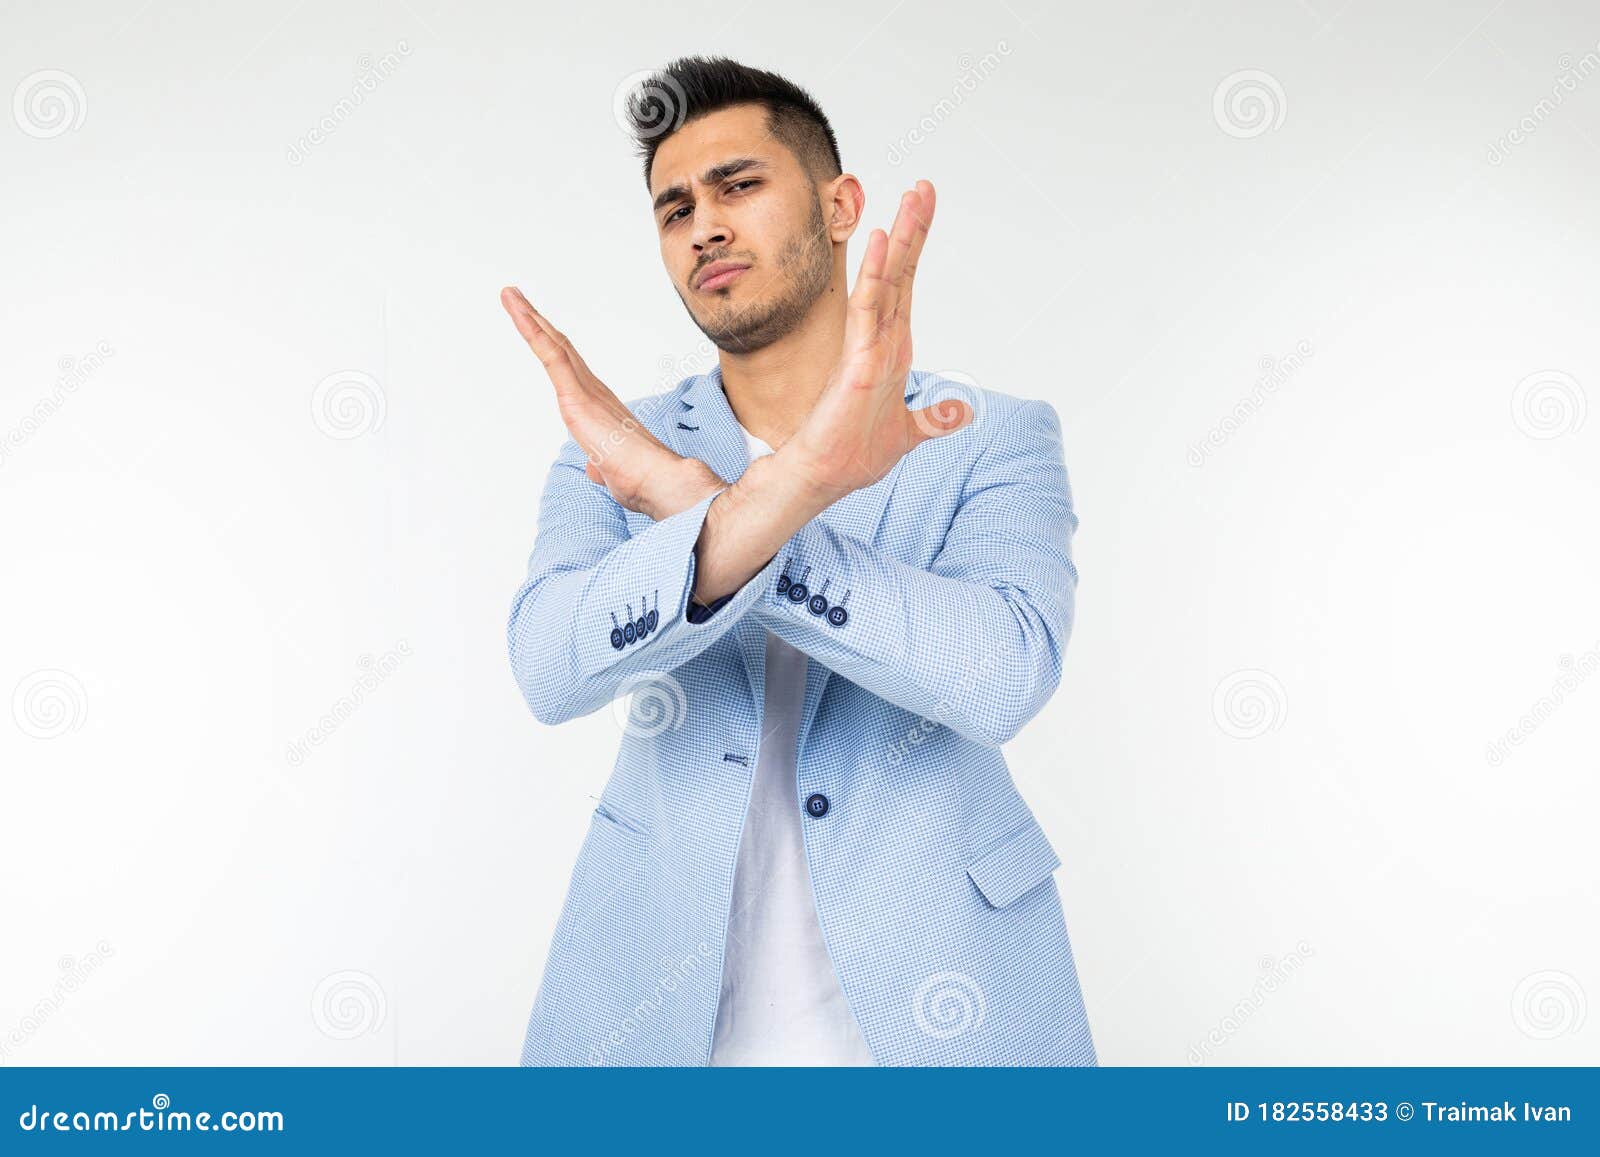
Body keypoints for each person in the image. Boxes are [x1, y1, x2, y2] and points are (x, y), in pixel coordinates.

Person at [502, 55, 1095, 1066]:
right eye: (674, 208)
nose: (705, 227)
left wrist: (709, 509)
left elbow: (999, 677)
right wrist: (758, 495)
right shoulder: (615, 442)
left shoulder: (986, 433)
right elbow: (548, 667)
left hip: (940, 1012)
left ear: (838, 206)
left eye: (738, 185)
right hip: (661, 1010)